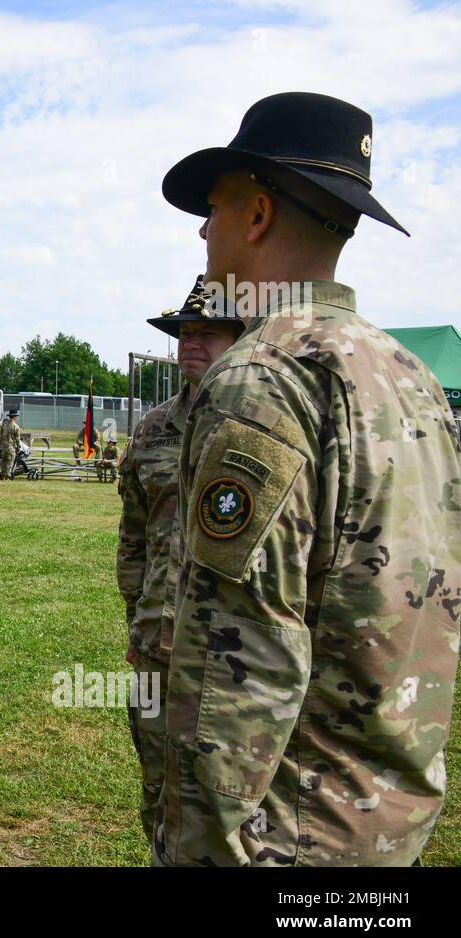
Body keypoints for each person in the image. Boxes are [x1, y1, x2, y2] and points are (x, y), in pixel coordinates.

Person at [155, 92, 461, 866]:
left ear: (257, 214)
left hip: (290, 838)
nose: (202, 229)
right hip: (386, 824)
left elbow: (238, 666)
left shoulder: (262, 378)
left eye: (216, 207)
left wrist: (199, 849)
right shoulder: (410, 376)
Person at [116, 276, 242, 844]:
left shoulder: (257, 424)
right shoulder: (154, 428)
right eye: (184, 332)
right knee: (157, 786)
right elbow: (134, 537)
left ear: (239, 339)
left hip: (236, 655)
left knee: (229, 800)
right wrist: (136, 620)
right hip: (157, 644)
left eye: (207, 332)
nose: (190, 342)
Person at [0, 408, 22, 480]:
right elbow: (17, 439)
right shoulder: (16, 426)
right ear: (15, 417)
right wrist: (18, 448)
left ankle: (2, 476)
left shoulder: (4, 425)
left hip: (3, 447)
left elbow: (0, 436)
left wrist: (0, 445)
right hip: (11, 448)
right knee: (9, 463)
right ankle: (7, 477)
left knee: (3, 463)